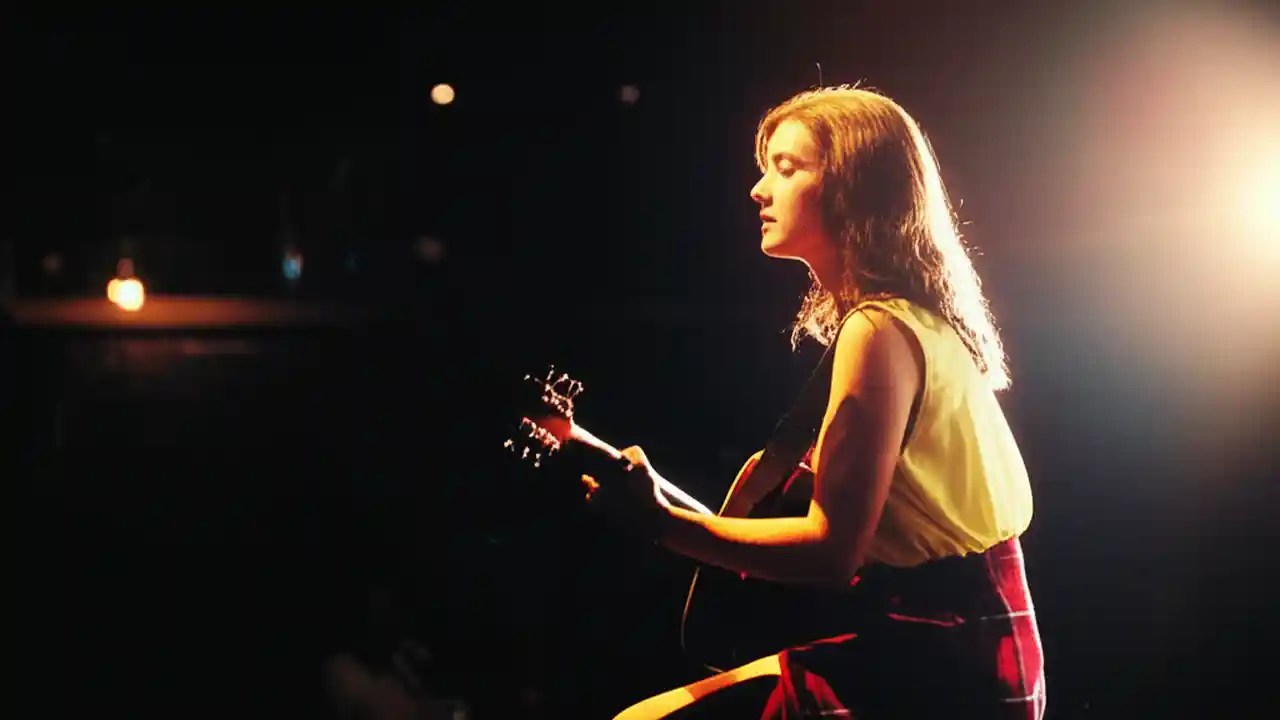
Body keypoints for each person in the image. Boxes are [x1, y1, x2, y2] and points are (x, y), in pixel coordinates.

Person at [582, 84, 1046, 719]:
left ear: (850, 188)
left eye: (786, 167)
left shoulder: (878, 330)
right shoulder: (914, 323)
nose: (758, 190)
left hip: (940, 660)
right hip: (960, 644)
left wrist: (663, 525)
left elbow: (832, 553)